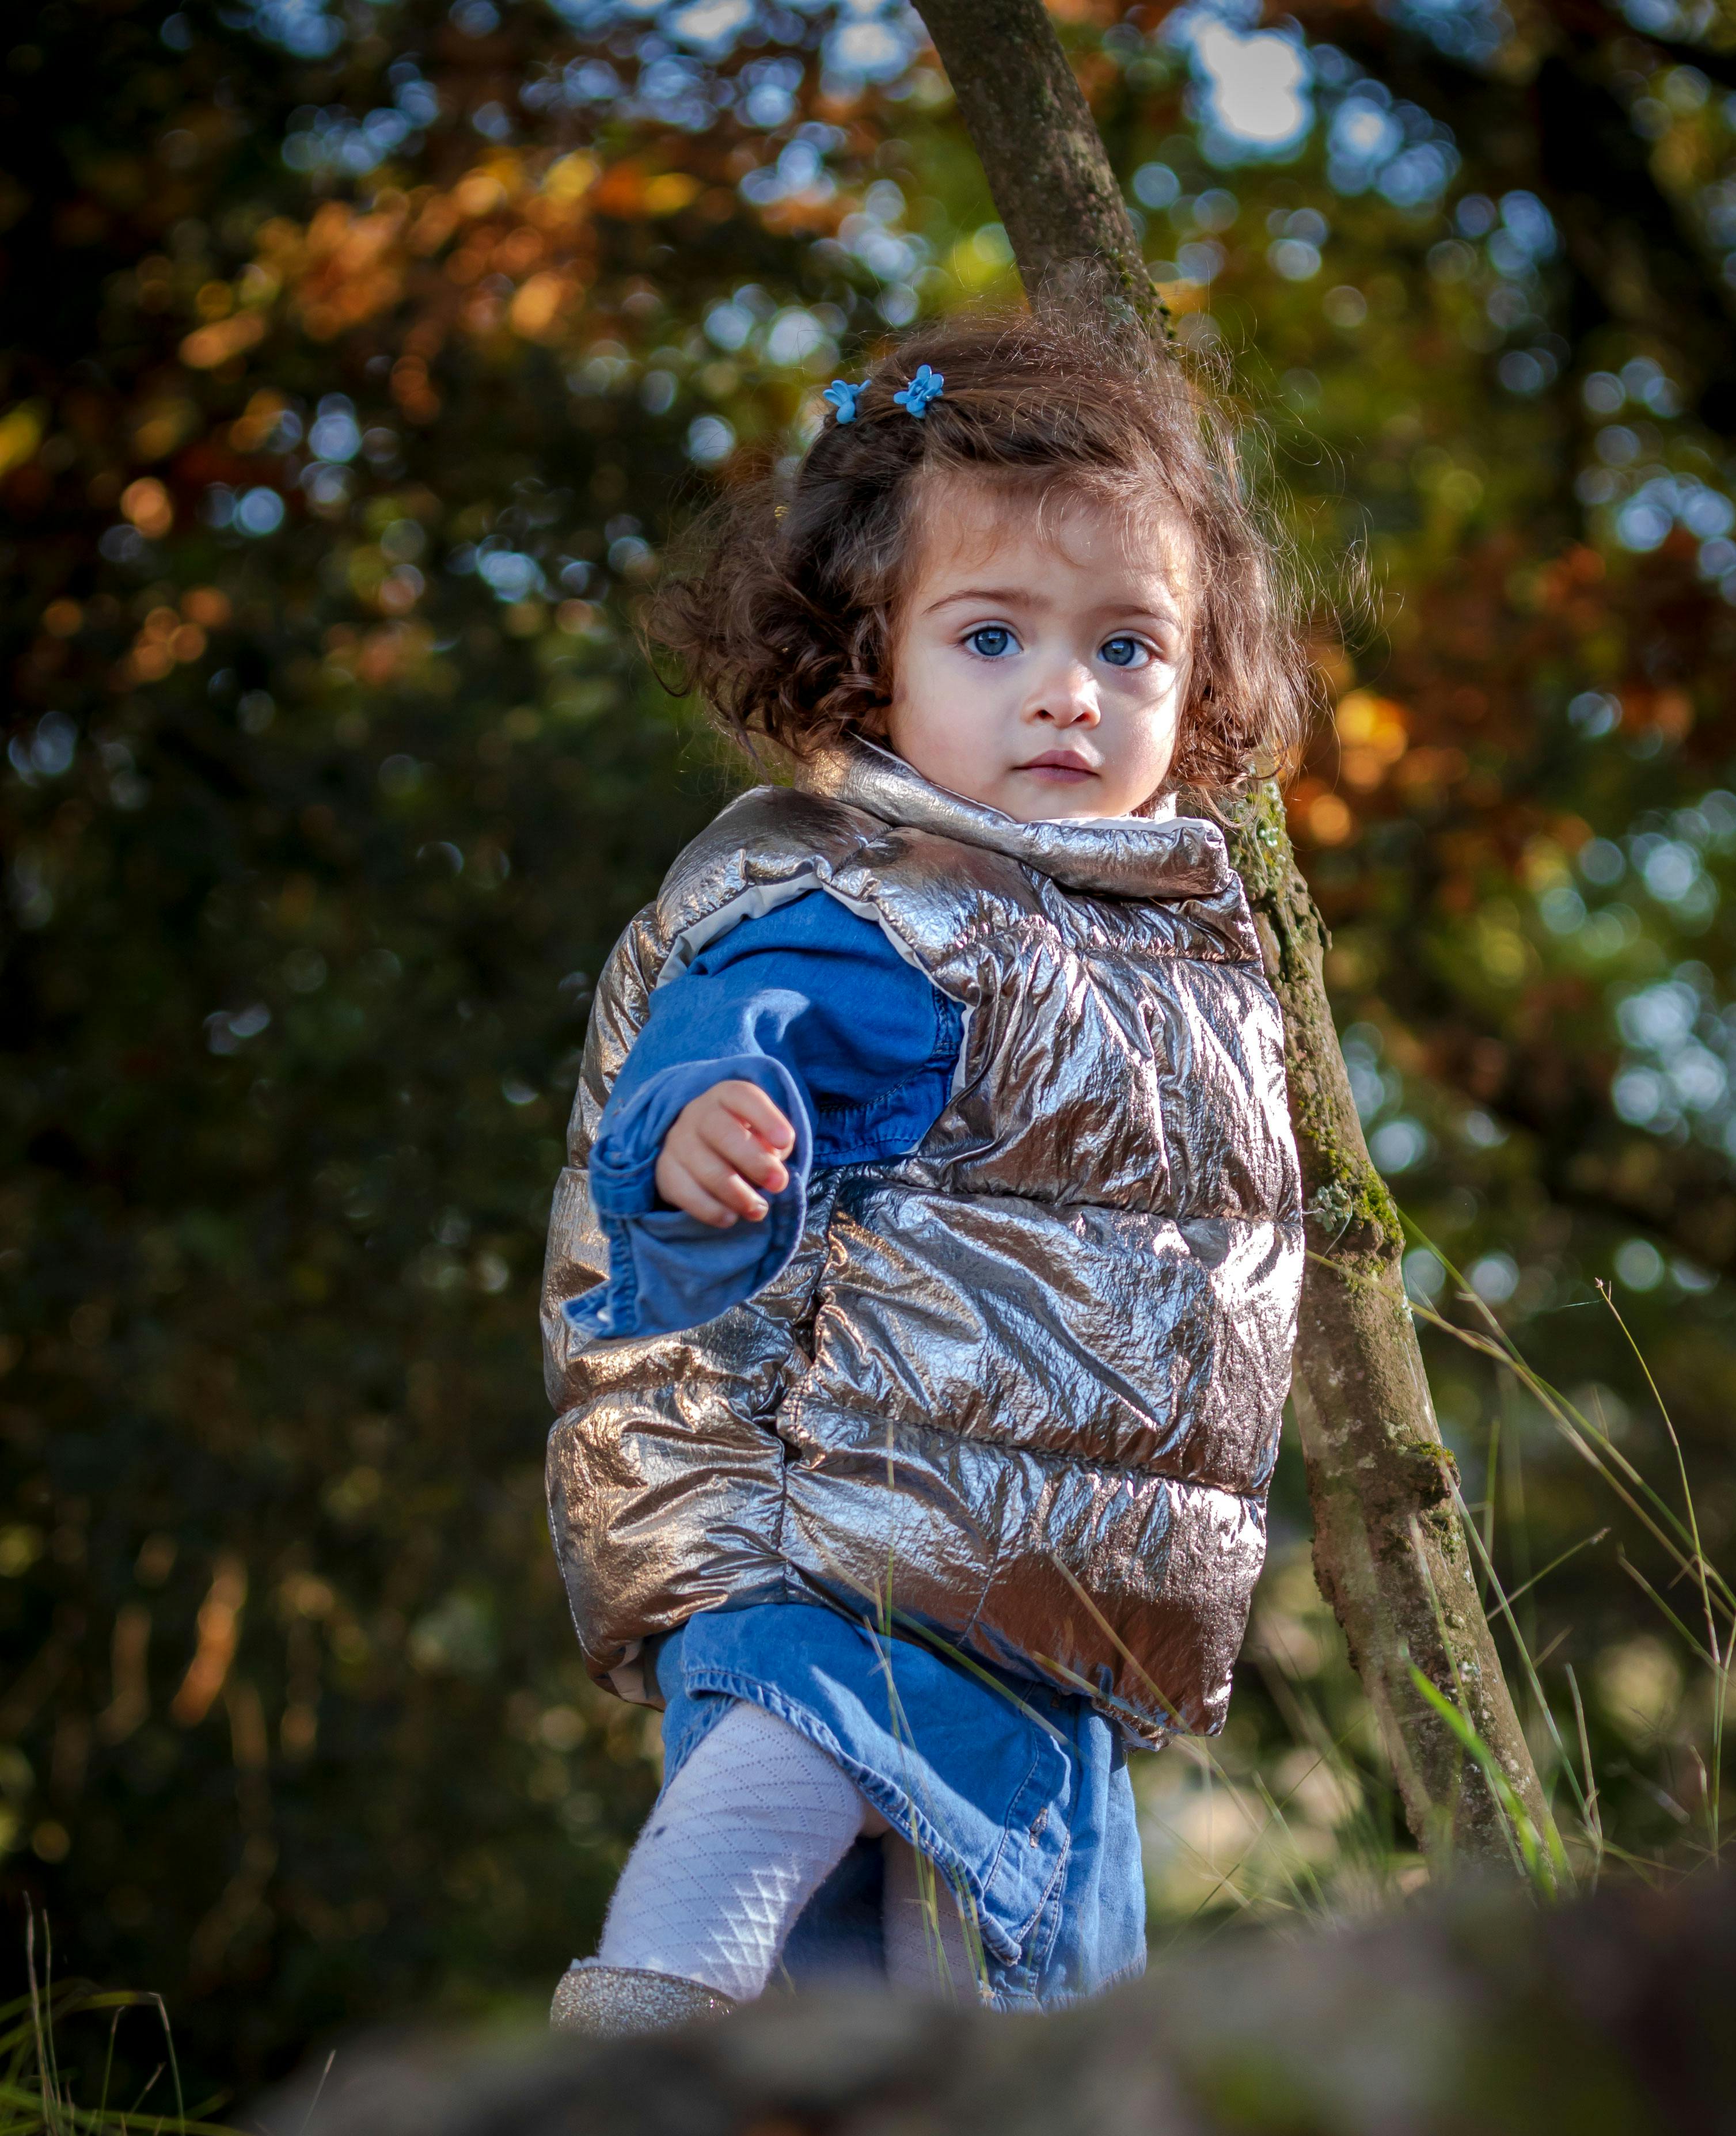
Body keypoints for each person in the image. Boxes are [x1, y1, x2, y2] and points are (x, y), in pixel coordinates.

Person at [541, 313, 1307, 2032]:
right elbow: (734, 1037)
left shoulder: (1155, 938)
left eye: (1129, 646)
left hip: (1043, 1588)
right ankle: (646, 2038)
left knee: (977, 1978)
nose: (1068, 690)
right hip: (851, 1541)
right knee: (768, 1809)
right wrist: (701, 1129)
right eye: (993, 635)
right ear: (868, 658)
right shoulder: (879, 907)